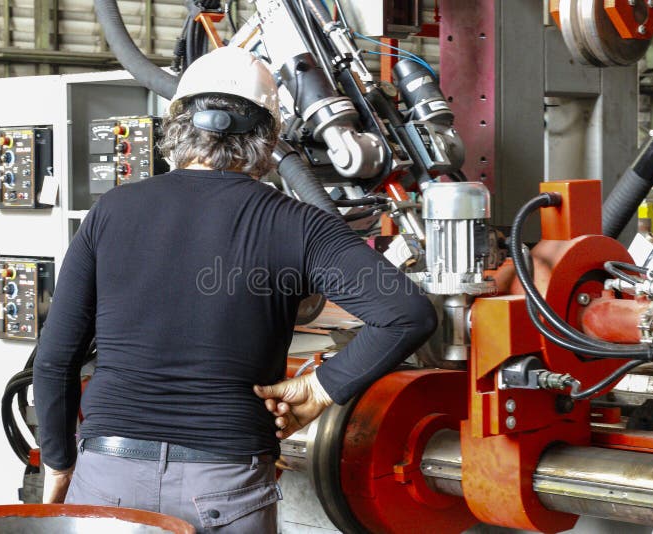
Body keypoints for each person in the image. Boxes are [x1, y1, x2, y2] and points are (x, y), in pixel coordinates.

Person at [33, 46, 437, 532]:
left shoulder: (111, 211)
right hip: (225, 489)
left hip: (107, 481)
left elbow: (55, 359)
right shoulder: (298, 224)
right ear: (270, 138)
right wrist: (319, 388)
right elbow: (407, 313)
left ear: (177, 124)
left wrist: (58, 465)